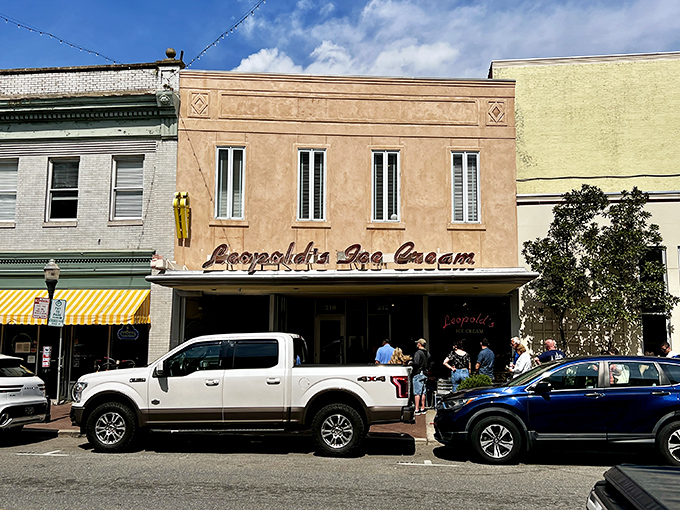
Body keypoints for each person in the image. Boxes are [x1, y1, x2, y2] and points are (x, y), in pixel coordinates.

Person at [410, 338, 430, 415]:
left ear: (419, 344)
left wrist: (411, 362)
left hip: (418, 373)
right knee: (423, 392)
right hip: (425, 373)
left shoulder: (418, 353)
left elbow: (416, 363)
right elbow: (431, 362)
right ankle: (423, 407)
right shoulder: (427, 353)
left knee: (417, 392)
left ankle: (417, 408)